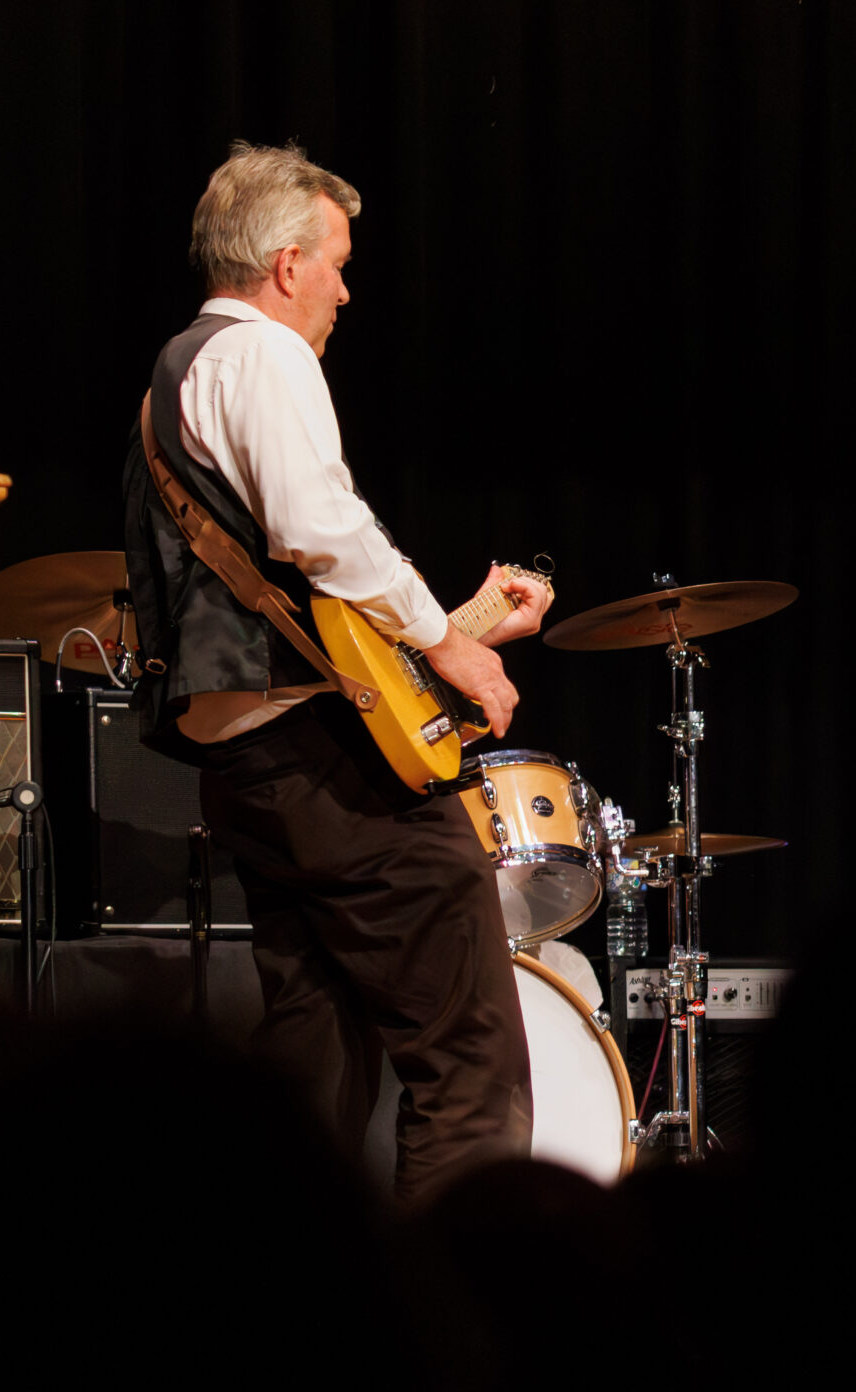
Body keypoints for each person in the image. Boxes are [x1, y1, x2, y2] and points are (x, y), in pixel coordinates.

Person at [122, 140, 550, 1202]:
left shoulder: (172, 376)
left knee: (315, 1061)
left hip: (249, 769)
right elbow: (319, 531)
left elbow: (285, 589)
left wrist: (454, 624)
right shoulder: (264, 357)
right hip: (324, 764)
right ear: (283, 265)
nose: (346, 290)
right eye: (337, 262)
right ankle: (458, 1325)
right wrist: (449, 646)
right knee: (470, 1059)